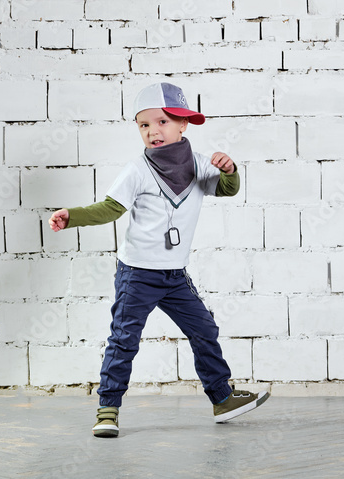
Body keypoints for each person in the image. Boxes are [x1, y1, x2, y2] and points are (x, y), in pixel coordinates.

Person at [48, 82, 269, 438]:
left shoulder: (199, 166)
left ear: (183, 124)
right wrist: (72, 216)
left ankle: (222, 399)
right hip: (137, 275)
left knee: (204, 330)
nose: (153, 131)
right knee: (124, 340)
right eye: (144, 125)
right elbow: (109, 209)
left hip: (174, 276)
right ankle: (107, 409)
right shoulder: (137, 170)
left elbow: (227, 189)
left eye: (162, 122)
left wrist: (230, 170)